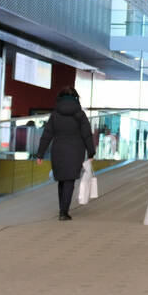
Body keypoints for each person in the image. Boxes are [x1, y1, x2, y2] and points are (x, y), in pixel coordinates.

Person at [35, 87, 96, 221]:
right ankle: (64, 212)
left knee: (62, 179)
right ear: (75, 98)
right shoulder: (80, 114)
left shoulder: (55, 114)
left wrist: (40, 154)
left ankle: (62, 209)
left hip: (58, 149)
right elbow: (87, 134)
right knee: (69, 180)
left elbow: (47, 134)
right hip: (76, 149)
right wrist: (91, 152)